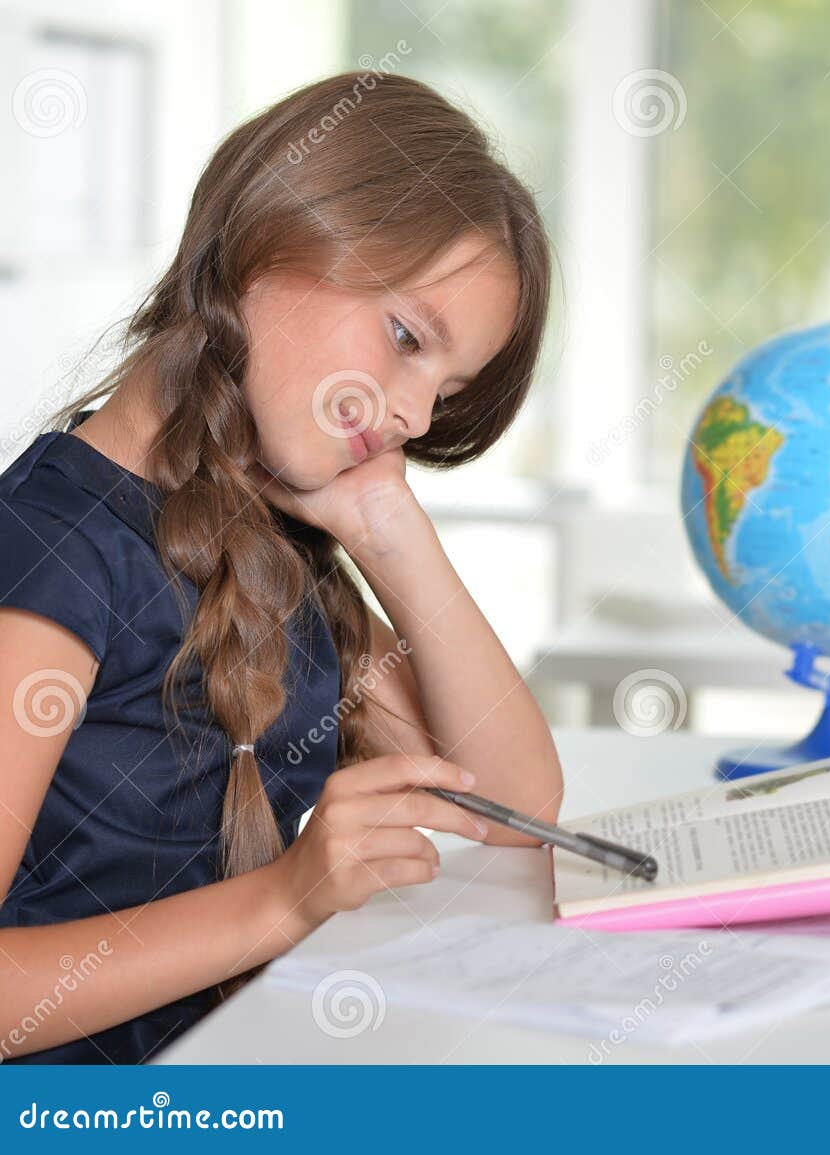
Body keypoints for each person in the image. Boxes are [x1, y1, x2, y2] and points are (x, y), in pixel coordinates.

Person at [0, 72, 562, 1062]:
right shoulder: (53, 560)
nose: (417, 417)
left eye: (448, 389)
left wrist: (389, 528)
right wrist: (285, 899)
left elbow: (511, 809)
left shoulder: (272, 541)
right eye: (405, 339)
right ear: (271, 239)